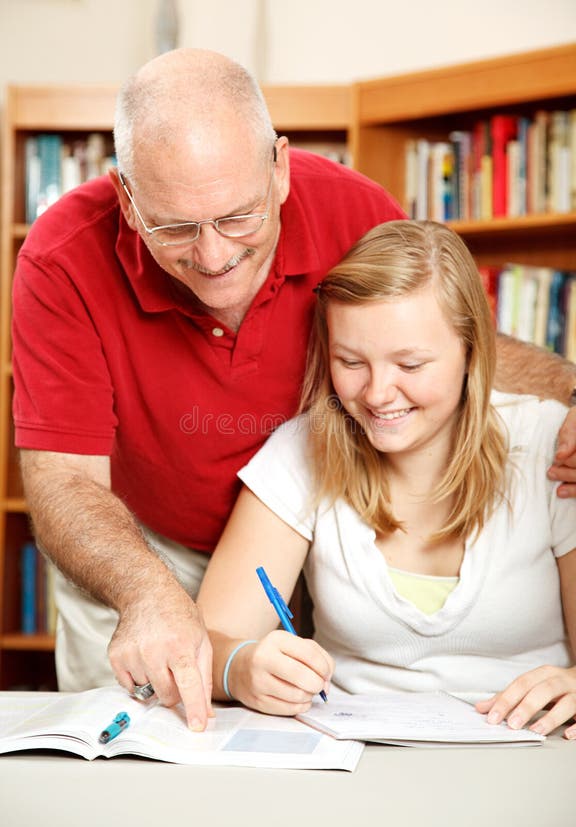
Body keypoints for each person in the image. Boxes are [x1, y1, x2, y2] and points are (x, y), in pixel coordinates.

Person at [11, 49, 576, 731]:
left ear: (278, 169)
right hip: (138, 547)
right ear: (129, 200)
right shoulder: (61, 256)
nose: (214, 257)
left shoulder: (354, 211)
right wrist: (147, 593)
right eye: (177, 227)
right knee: (135, 745)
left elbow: (451, 346)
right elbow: (65, 480)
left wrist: (572, 391)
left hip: (310, 539)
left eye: (238, 217)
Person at [197, 220, 576, 739]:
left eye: (410, 364)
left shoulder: (552, 446)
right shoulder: (300, 451)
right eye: (351, 361)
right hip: (355, 759)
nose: (377, 394)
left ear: (472, 352)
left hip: (534, 752)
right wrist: (240, 667)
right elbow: (211, 640)